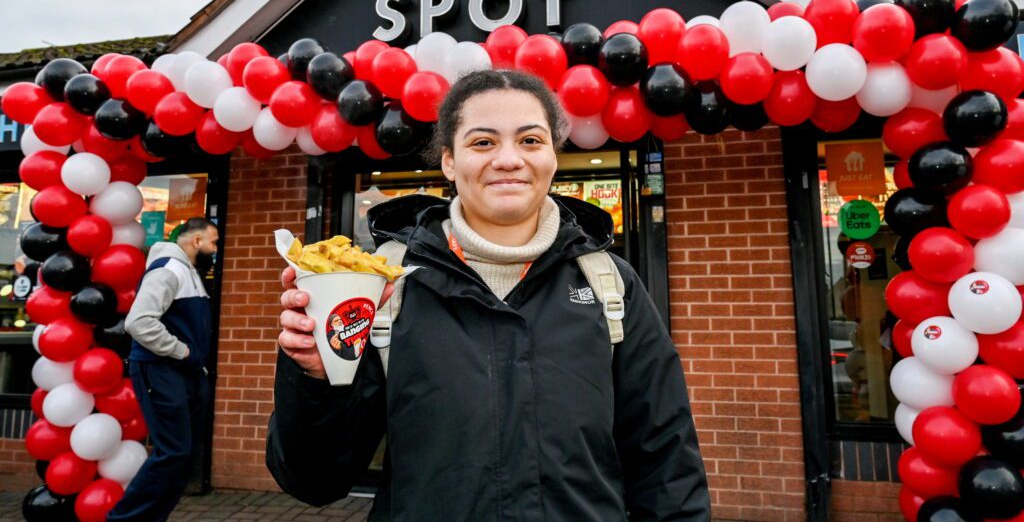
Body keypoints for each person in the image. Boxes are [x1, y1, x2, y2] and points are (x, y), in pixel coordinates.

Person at [267, 70, 709, 521]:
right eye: (482, 143)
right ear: (449, 162)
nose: (509, 159)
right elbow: (314, 481)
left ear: (553, 157)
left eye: (531, 141)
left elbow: (667, 466)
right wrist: (317, 380)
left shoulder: (609, 285)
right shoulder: (384, 288)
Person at [108, 217, 219, 522]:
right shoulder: (168, 269)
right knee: (173, 453)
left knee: (181, 456)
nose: (215, 248)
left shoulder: (189, 272)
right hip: (160, 370)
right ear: (196, 241)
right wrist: (182, 352)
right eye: (213, 241)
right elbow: (139, 322)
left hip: (184, 375)